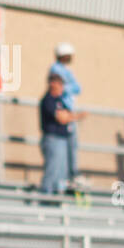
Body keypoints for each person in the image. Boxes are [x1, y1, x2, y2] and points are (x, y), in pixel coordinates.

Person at [39, 69, 82, 195]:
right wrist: (77, 116)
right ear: (52, 84)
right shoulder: (48, 100)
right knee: (53, 169)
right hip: (53, 139)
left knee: (62, 172)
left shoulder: (60, 101)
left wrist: (70, 116)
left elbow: (67, 114)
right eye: (59, 84)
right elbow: (62, 118)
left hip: (62, 139)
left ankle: (58, 195)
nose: (61, 88)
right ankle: (46, 195)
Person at [52, 42, 82, 185]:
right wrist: (69, 88)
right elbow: (68, 88)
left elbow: (78, 88)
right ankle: (67, 176)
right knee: (64, 147)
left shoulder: (67, 71)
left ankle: (72, 173)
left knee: (72, 144)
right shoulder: (56, 69)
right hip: (63, 109)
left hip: (69, 109)